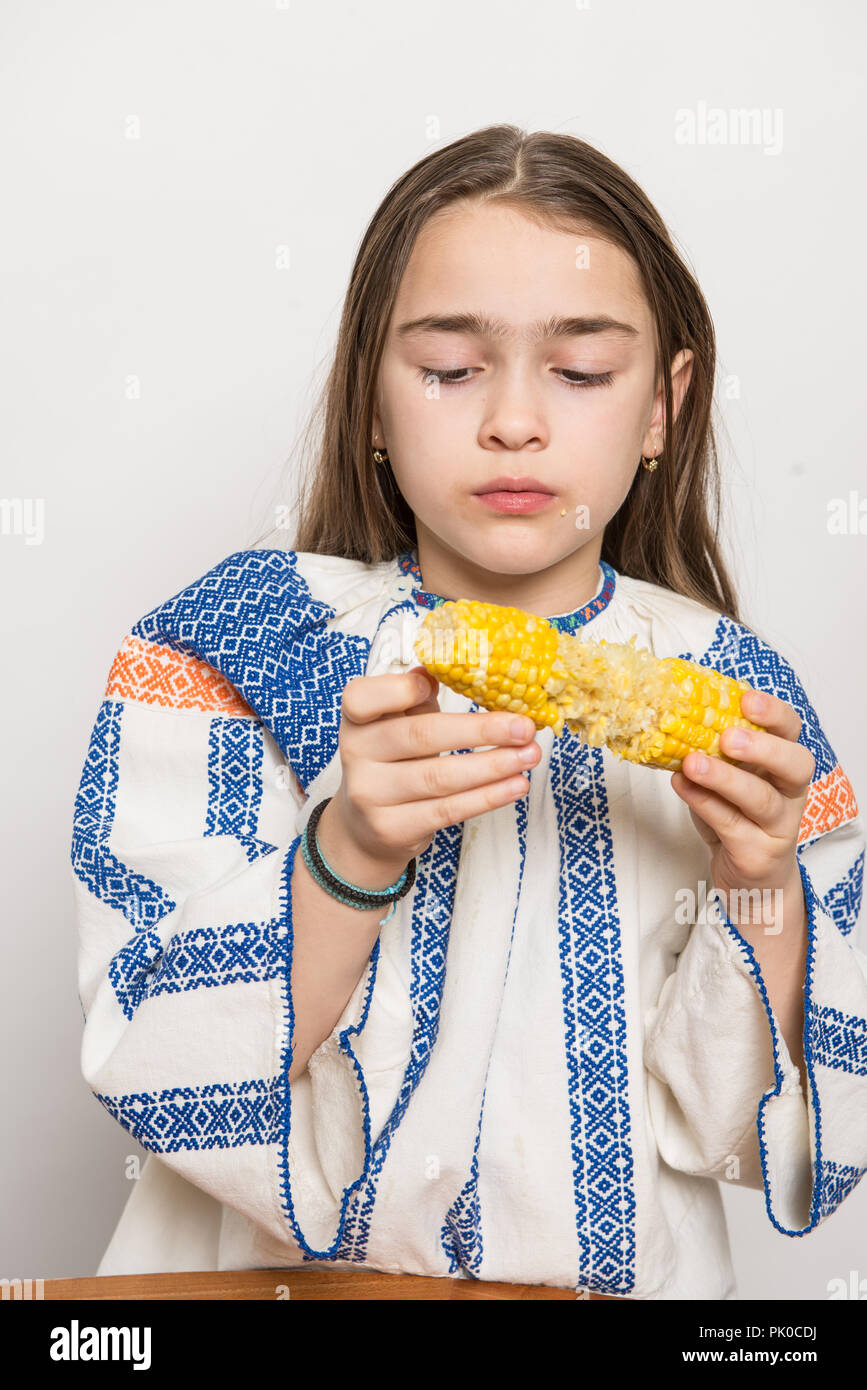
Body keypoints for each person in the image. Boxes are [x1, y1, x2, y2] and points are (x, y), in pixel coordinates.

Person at [70, 125, 866, 1299]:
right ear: (373, 399)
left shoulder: (748, 697)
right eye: (449, 367)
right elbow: (145, 1067)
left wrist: (759, 873)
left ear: (664, 406)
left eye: (582, 373)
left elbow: (765, 1143)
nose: (513, 423)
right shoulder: (229, 645)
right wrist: (345, 854)